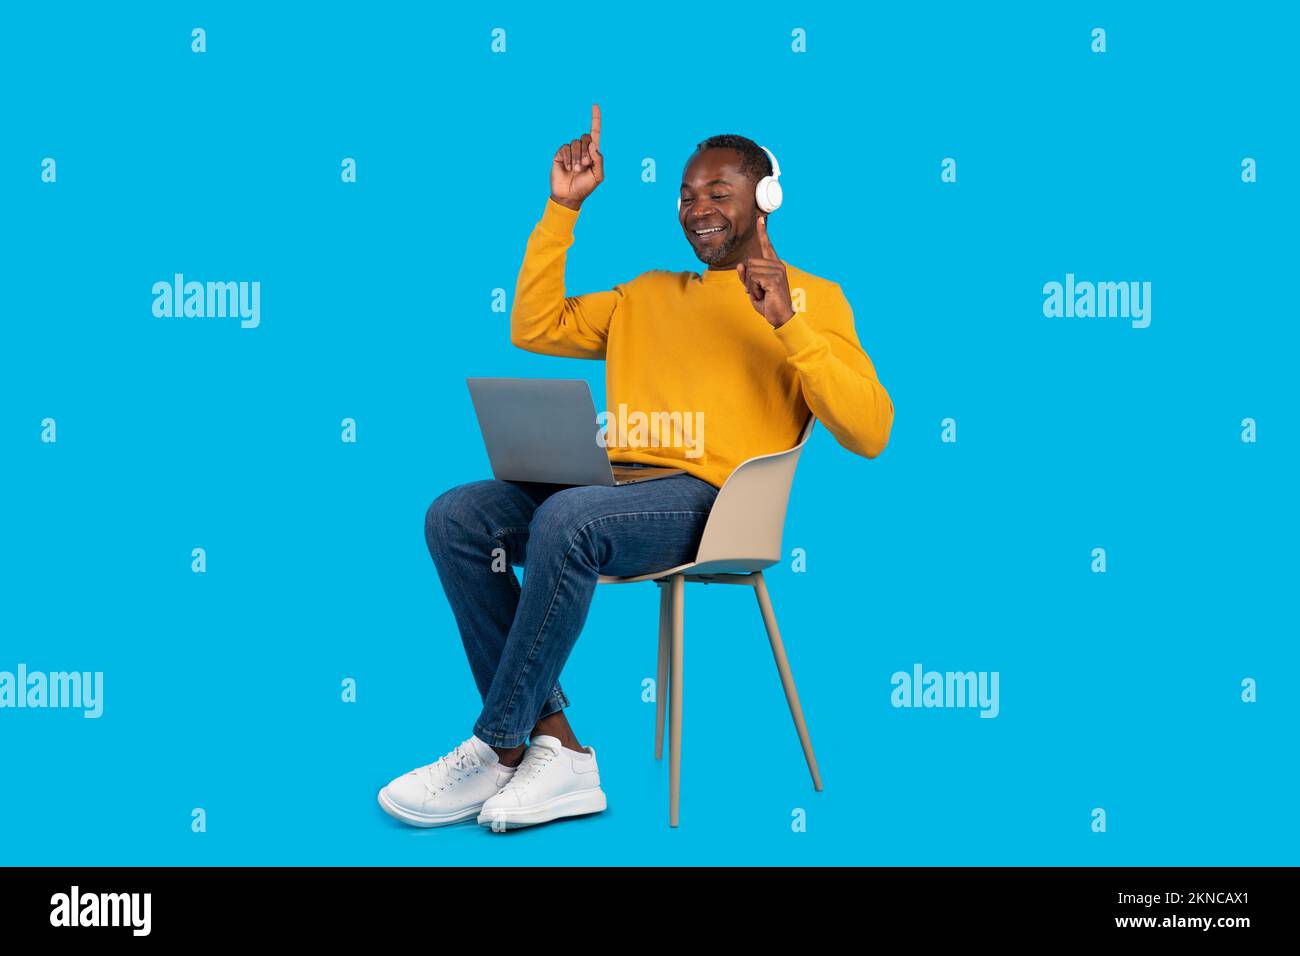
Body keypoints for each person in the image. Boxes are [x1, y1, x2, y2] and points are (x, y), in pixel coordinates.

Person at [378, 104, 894, 831]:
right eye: (687, 195)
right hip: (615, 490)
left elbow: (870, 429)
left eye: (719, 191)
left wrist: (789, 324)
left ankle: (497, 747)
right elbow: (534, 326)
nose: (698, 208)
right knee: (458, 517)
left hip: (715, 503)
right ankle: (558, 748)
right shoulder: (647, 294)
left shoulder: (811, 299)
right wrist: (563, 210)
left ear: (764, 197)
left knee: (568, 518)